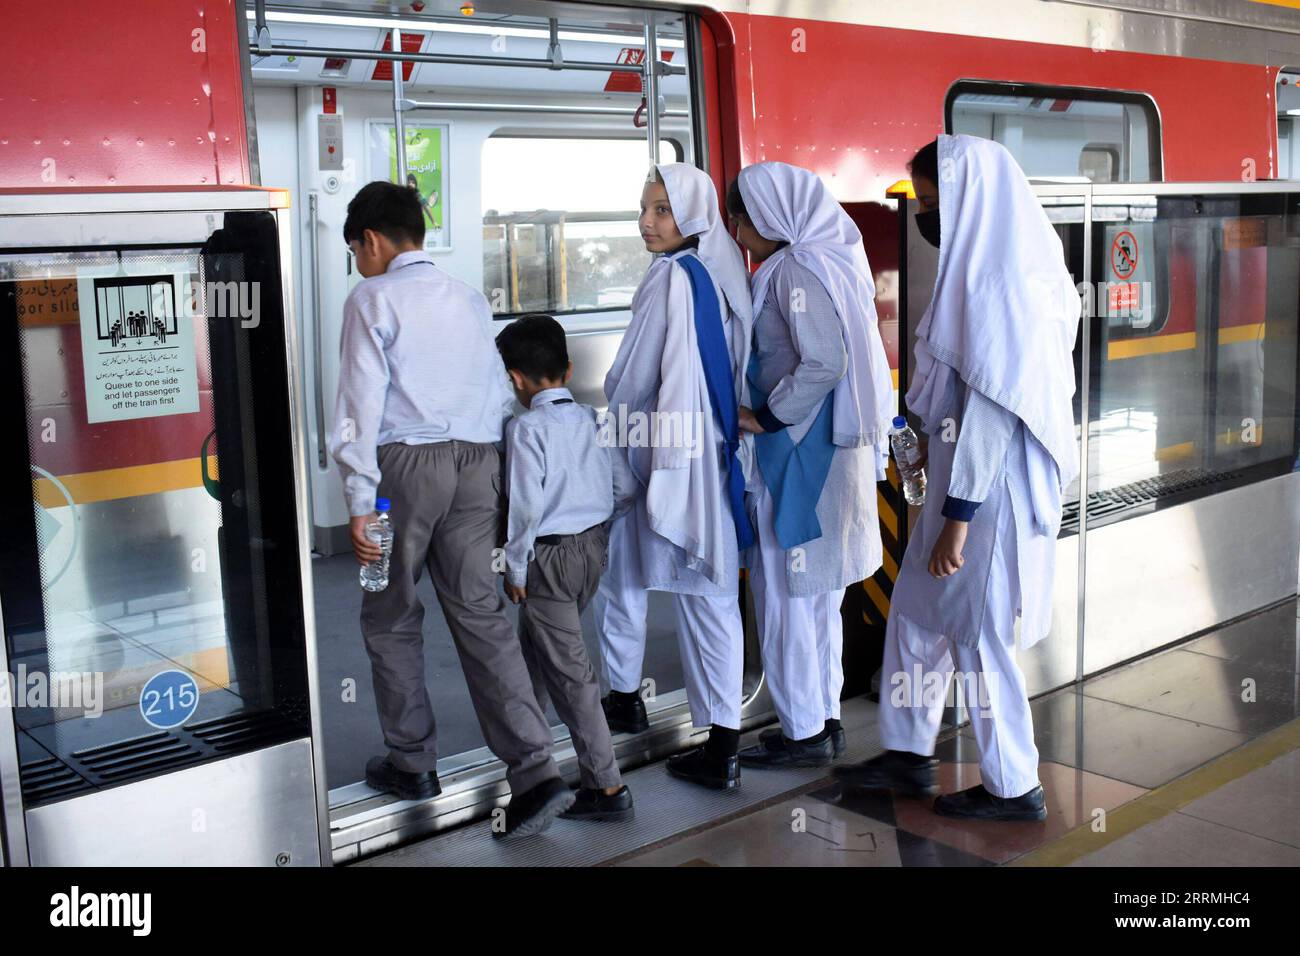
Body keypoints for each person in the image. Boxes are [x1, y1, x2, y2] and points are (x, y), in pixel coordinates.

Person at [833, 136, 1081, 821]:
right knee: (915, 611)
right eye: (923, 202)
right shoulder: (984, 267)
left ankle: (1014, 786)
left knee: (979, 639)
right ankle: (910, 754)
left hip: (989, 495)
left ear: (972, 201)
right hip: (957, 484)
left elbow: (994, 417)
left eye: (936, 204)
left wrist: (958, 521)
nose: (927, 217)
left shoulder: (1009, 284)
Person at [329, 180, 571, 840]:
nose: (357, 260)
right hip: (477, 464)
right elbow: (497, 392)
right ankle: (534, 767)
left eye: (355, 248)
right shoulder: (466, 297)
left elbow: (358, 407)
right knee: (482, 613)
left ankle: (412, 761)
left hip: (404, 471)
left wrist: (357, 500)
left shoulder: (370, 298)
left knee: (389, 609)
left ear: (372, 241)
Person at [727, 162, 894, 768]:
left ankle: (802, 734)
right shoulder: (821, 261)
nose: (737, 229)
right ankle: (821, 721)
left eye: (742, 216)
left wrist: (767, 416)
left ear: (775, 215)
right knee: (817, 596)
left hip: (798, 455)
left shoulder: (794, 267)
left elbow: (824, 361)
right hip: (820, 452)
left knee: (787, 595)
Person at [595, 162, 755, 789]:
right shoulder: (717, 275)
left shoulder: (667, 278)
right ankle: (723, 741)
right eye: (643, 208)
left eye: (661, 209)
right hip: (708, 452)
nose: (646, 222)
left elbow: (632, 379)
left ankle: (624, 696)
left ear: (690, 213)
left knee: (626, 574)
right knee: (708, 593)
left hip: (661, 452)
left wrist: (614, 430)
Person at [494, 313, 636, 822]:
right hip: (591, 552)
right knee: (533, 660)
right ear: (569, 368)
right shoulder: (592, 419)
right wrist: (595, 528)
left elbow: (524, 507)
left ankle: (608, 787)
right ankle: (534, 775)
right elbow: (625, 488)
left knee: (572, 676)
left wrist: (515, 569)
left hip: (547, 559)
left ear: (514, 379)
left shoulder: (525, 428)